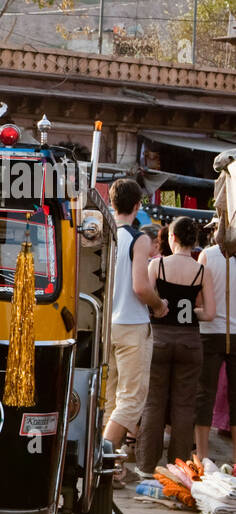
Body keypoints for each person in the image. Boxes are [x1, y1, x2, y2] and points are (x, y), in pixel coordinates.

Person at [136, 217, 214, 475]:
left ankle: (146, 464)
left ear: (173, 238)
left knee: (154, 401)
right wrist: (191, 311)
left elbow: (147, 300)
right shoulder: (202, 271)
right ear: (194, 242)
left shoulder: (157, 266)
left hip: (159, 338)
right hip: (190, 341)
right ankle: (179, 466)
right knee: (184, 404)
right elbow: (210, 313)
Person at [103, 179, 167, 484]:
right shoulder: (137, 238)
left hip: (105, 324)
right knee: (130, 399)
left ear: (112, 203)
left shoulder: (101, 232)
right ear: (138, 206)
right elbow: (141, 287)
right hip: (131, 323)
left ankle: (110, 468)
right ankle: (103, 462)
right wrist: (159, 305)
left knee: (108, 397)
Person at [195, 238, 236, 466]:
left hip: (210, 332)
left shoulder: (207, 255)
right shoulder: (208, 255)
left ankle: (202, 455)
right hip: (229, 334)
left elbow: (199, 298)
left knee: (205, 394)